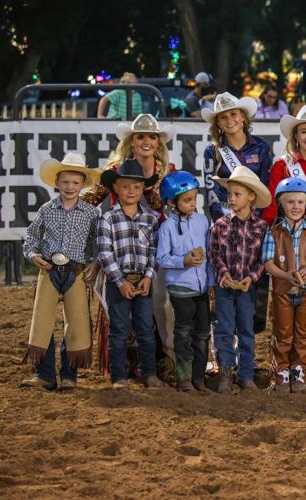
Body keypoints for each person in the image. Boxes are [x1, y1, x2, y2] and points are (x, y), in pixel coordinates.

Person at [82, 114, 177, 380]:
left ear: (158, 142)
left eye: (151, 137)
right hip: (119, 246)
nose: (146, 141)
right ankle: (125, 364)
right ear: (131, 141)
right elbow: (88, 200)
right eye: (140, 136)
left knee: (161, 303)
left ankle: (163, 360)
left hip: (154, 246)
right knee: (119, 308)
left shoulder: (168, 170)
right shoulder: (115, 169)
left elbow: (176, 208)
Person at [20, 154, 100, 391]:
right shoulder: (46, 209)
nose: (70, 187)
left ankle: (69, 376)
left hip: (76, 271)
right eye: (65, 182)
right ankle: (44, 375)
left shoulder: (90, 213)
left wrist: (94, 262)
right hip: (49, 271)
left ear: (83, 185)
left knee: (76, 324)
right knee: (42, 322)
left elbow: (95, 243)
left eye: (75, 183)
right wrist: (33, 255)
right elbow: (32, 238)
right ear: (57, 183)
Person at [97, 159, 162, 389]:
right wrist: (120, 281)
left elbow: (155, 250)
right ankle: (119, 377)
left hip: (142, 281)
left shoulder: (151, 218)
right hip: (118, 283)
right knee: (119, 330)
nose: (131, 191)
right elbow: (105, 253)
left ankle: (149, 373)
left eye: (136, 187)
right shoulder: (108, 218)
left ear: (143, 188)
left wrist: (148, 276)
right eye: (125, 186)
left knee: (146, 329)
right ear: (116, 188)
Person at [209, 166, 272, 393]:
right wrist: (223, 275)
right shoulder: (220, 225)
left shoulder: (262, 227)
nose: (232, 198)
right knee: (224, 329)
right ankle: (225, 372)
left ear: (251, 197)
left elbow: (264, 260)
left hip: (248, 288)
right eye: (230, 194)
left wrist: (251, 278)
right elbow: (214, 254)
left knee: (246, 330)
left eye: (237, 194)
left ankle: (246, 375)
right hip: (225, 287)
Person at [263, 178, 306, 392]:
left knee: (304, 331)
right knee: (283, 331)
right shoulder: (274, 234)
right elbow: (268, 264)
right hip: (282, 291)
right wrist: (284, 274)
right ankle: (281, 371)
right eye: (290, 202)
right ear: (282, 204)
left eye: (300, 202)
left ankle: (300, 370)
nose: (296, 207)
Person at [157, 171, 212, 392]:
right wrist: (184, 260)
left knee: (202, 333)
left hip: (201, 287)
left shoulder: (202, 221)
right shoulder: (167, 227)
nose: (192, 204)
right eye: (186, 200)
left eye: (194, 198)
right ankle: (184, 378)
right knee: (183, 332)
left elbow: (208, 249)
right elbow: (161, 258)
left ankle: (199, 378)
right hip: (181, 288)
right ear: (172, 202)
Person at [202, 92, 273, 220]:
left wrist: (256, 221)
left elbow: (266, 187)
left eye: (233, 114)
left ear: (243, 117)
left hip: (255, 216)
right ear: (218, 123)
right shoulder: (211, 151)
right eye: (223, 117)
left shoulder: (261, 146)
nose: (229, 120)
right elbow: (211, 192)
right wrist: (222, 222)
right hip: (224, 216)